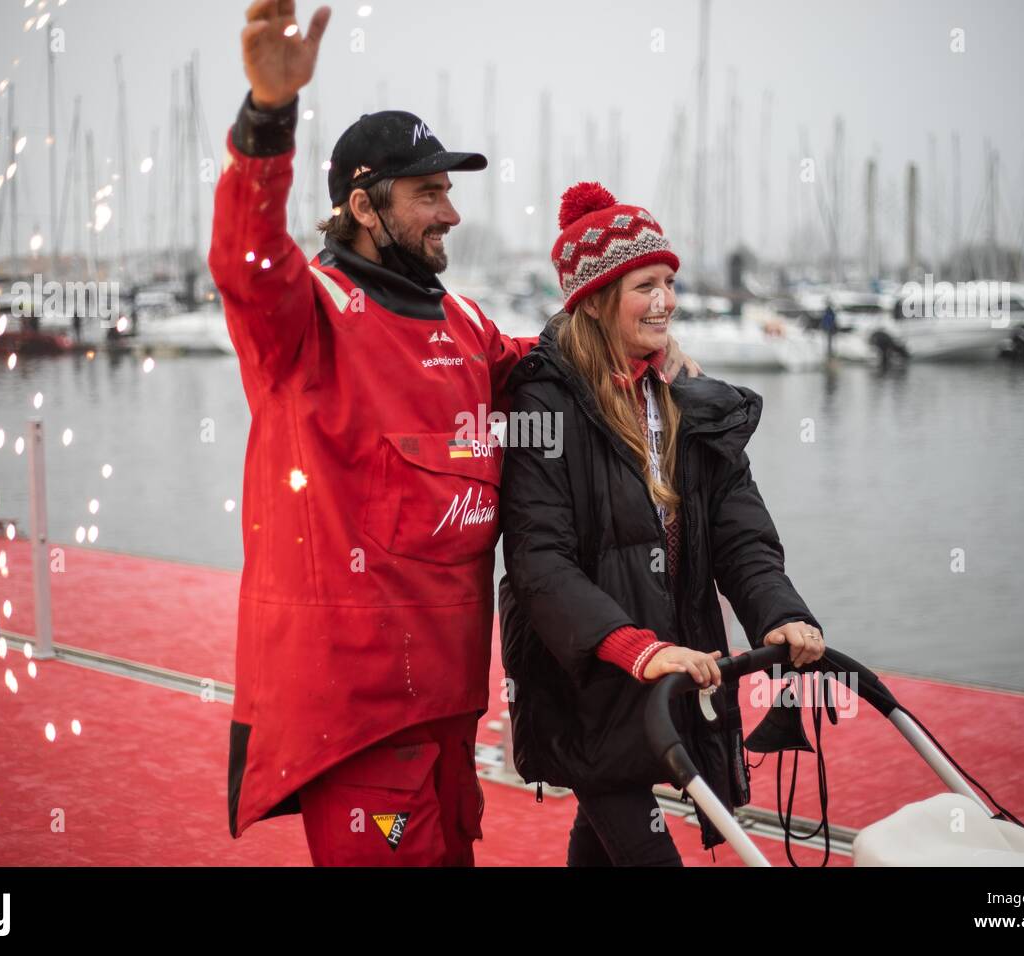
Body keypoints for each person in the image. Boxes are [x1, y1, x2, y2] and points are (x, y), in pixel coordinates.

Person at [209, 2, 701, 866]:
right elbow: (246, 258)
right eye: (428, 193)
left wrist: (642, 339)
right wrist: (266, 117)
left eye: (451, 191)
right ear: (363, 205)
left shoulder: (463, 320)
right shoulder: (307, 318)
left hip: (446, 703)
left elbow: (558, 373)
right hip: (356, 716)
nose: (451, 213)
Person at [498, 181, 825, 866]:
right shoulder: (545, 402)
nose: (666, 301)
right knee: (644, 850)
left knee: (602, 846)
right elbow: (539, 561)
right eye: (645, 284)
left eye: (669, 282)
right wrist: (633, 648)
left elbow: (739, 530)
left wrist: (779, 611)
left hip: (670, 666)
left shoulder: (686, 400)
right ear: (597, 296)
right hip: (586, 679)